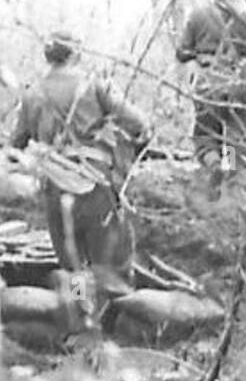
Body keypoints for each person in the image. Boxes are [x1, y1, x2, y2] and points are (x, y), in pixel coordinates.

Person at [10, 31, 150, 315]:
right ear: (76, 54)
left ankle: (85, 317)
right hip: (94, 186)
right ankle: (115, 324)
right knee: (108, 262)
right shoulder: (94, 85)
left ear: (48, 57)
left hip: (56, 192)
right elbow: (138, 123)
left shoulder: (32, 93)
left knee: (73, 265)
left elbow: (16, 143)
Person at [176, 0, 246, 194]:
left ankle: (214, 165)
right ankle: (232, 184)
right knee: (237, 139)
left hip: (209, 83)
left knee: (206, 136)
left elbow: (181, 52)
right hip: (241, 85)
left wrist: (199, 55)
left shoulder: (198, 14)